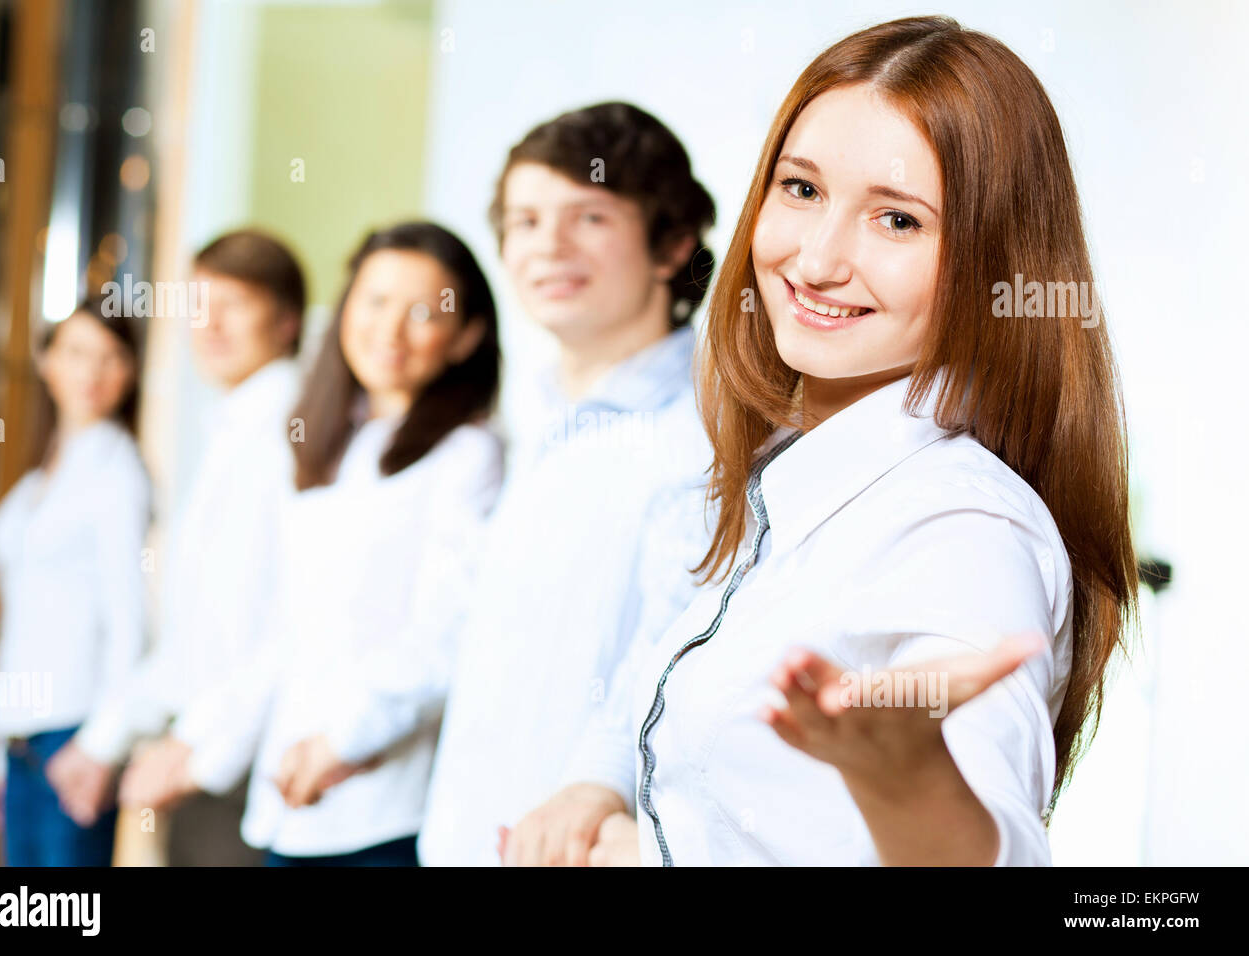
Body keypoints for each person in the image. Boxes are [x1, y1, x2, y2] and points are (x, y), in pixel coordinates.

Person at [517, 16, 1138, 866]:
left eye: (897, 221)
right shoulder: (785, 469)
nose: (815, 260)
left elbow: (993, 847)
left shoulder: (964, 527)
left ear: (992, 264)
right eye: (801, 190)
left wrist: (913, 787)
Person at [276, 102, 718, 866]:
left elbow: (674, 654)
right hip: (461, 836)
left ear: (672, 245)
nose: (547, 244)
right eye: (524, 220)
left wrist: (595, 786)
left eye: (589, 217)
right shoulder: (546, 422)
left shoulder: (700, 434)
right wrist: (349, 731)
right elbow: (463, 616)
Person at [121, 222, 503, 866]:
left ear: (466, 336)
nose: (389, 329)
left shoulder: (468, 455)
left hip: (378, 811)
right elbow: (289, 628)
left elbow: (447, 629)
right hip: (288, 802)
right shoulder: (335, 447)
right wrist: (203, 745)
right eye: (374, 301)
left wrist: (343, 740)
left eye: (422, 311)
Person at [89, 229, 306, 865]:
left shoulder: (287, 429)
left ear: (287, 321)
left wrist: (197, 744)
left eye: (233, 305)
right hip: (198, 747)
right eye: (197, 304)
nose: (207, 324)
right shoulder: (230, 428)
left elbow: (287, 617)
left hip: (235, 758)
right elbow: (198, 627)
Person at [0, 298, 150, 866]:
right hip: (22, 737)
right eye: (75, 353)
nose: (91, 373)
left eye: (110, 356)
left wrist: (101, 747)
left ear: (131, 371)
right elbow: (23, 622)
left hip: (73, 735)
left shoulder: (119, 474)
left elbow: (131, 624)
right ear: (46, 361)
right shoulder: (40, 474)